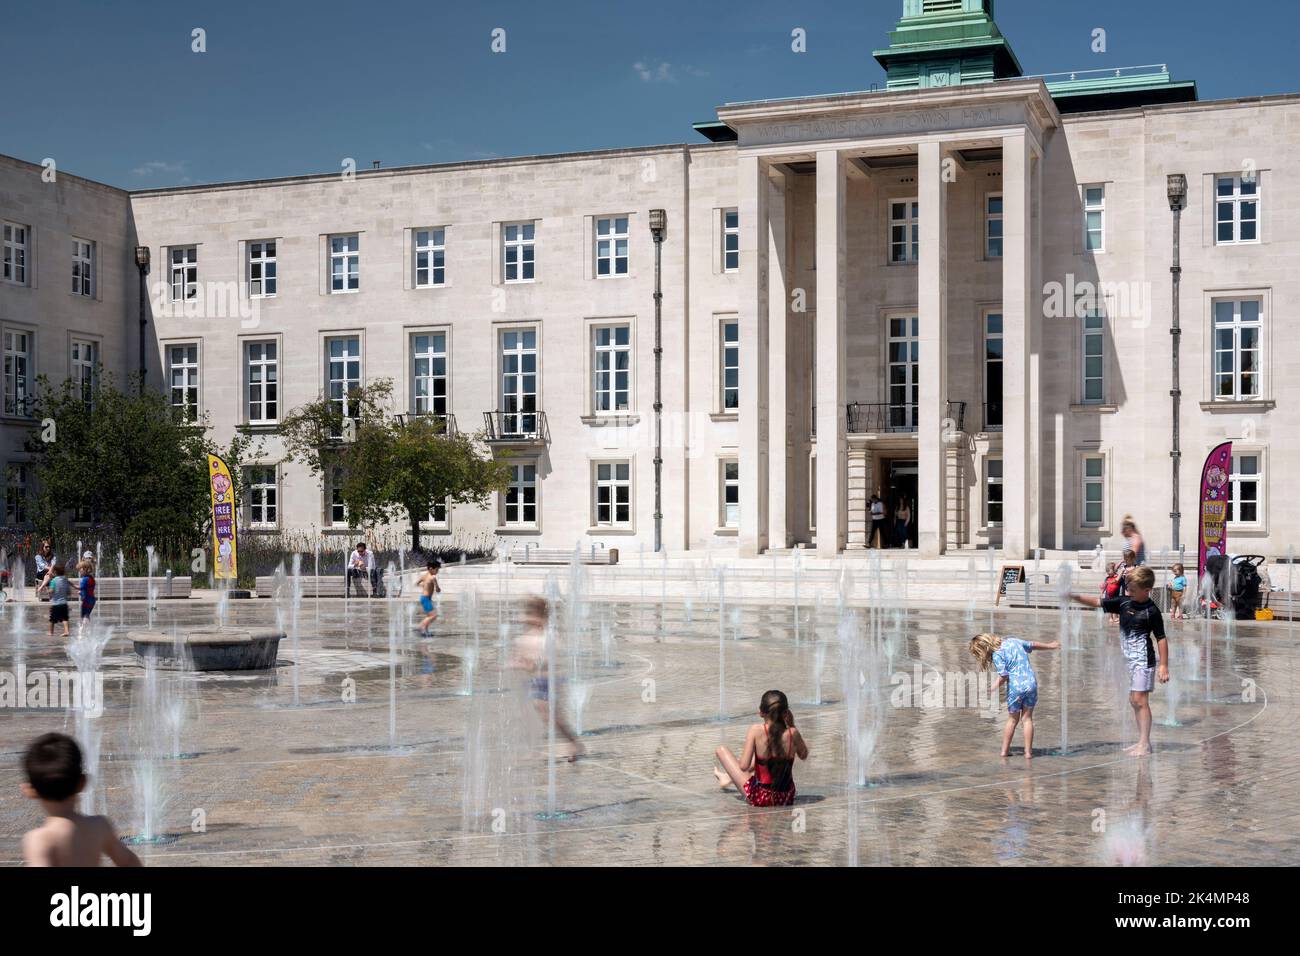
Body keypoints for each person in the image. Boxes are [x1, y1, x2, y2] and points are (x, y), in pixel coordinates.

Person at [1070, 565, 1169, 756]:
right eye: (1128, 588)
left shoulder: (1152, 611)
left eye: (1132, 590)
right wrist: (1075, 597)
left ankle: (1145, 744)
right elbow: (1097, 601)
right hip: (1130, 661)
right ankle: (1141, 741)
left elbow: (1161, 638)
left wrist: (1163, 665)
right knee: (1134, 700)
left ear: (1147, 590)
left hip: (1143, 661)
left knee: (1140, 700)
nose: (1128, 592)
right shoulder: (1124, 602)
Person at [20, 733, 141, 867]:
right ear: (83, 782)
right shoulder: (99, 826)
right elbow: (129, 862)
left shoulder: (40, 840)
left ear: (30, 791)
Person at [509, 596, 583, 761]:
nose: (525, 619)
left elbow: (545, 661)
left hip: (548, 681)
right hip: (532, 681)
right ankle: (535, 749)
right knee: (528, 716)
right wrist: (516, 662)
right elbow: (522, 658)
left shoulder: (549, 637)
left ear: (540, 617)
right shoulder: (527, 637)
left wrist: (525, 664)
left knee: (551, 717)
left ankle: (574, 743)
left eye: (530, 616)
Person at [969, 634, 1059, 759]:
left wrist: (993, 688)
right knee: (1027, 719)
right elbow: (1032, 644)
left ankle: (1004, 751)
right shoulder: (1013, 641)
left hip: (1015, 688)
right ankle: (1028, 753)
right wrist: (1050, 646)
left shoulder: (997, 655)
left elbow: (1004, 675)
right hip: (1031, 684)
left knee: (1012, 720)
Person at [712, 689, 807, 806]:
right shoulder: (793, 733)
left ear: (761, 713)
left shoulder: (756, 730)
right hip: (786, 797)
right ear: (786, 713)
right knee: (765, 758)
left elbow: (743, 766)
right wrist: (792, 724)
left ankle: (729, 777)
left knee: (721, 750)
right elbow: (803, 755)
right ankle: (727, 778)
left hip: (761, 797)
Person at [414, 559, 441, 636]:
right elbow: (437, 589)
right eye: (437, 569)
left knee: (429, 616)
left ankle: (425, 631)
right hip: (426, 599)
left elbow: (416, 584)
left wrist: (422, 585)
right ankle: (420, 627)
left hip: (424, 598)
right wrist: (438, 589)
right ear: (431, 568)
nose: (437, 571)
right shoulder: (433, 578)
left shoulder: (424, 576)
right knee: (433, 616)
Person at [48, 563, 71, 638]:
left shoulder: (53, 581)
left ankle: (51, 632)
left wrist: (48, 591)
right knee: (65, 618)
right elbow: (68, 592)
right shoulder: (65, 580)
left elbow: (51, 591)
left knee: (52, 619)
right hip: (64, 603)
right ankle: (66, 631)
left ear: (55, 572)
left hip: (56, 604)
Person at [76, 557, 97, 626]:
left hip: (86, 600)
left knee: (84, 616)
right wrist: (81, 593)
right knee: (87, 615)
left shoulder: (85, 579)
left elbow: (80, 587)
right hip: (92, 600)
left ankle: (84, 630)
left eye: (80, 570)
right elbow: (88, 589)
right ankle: (88, 630)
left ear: (85, 569)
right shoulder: (91, 578)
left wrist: (70, 583)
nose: (79, 572)